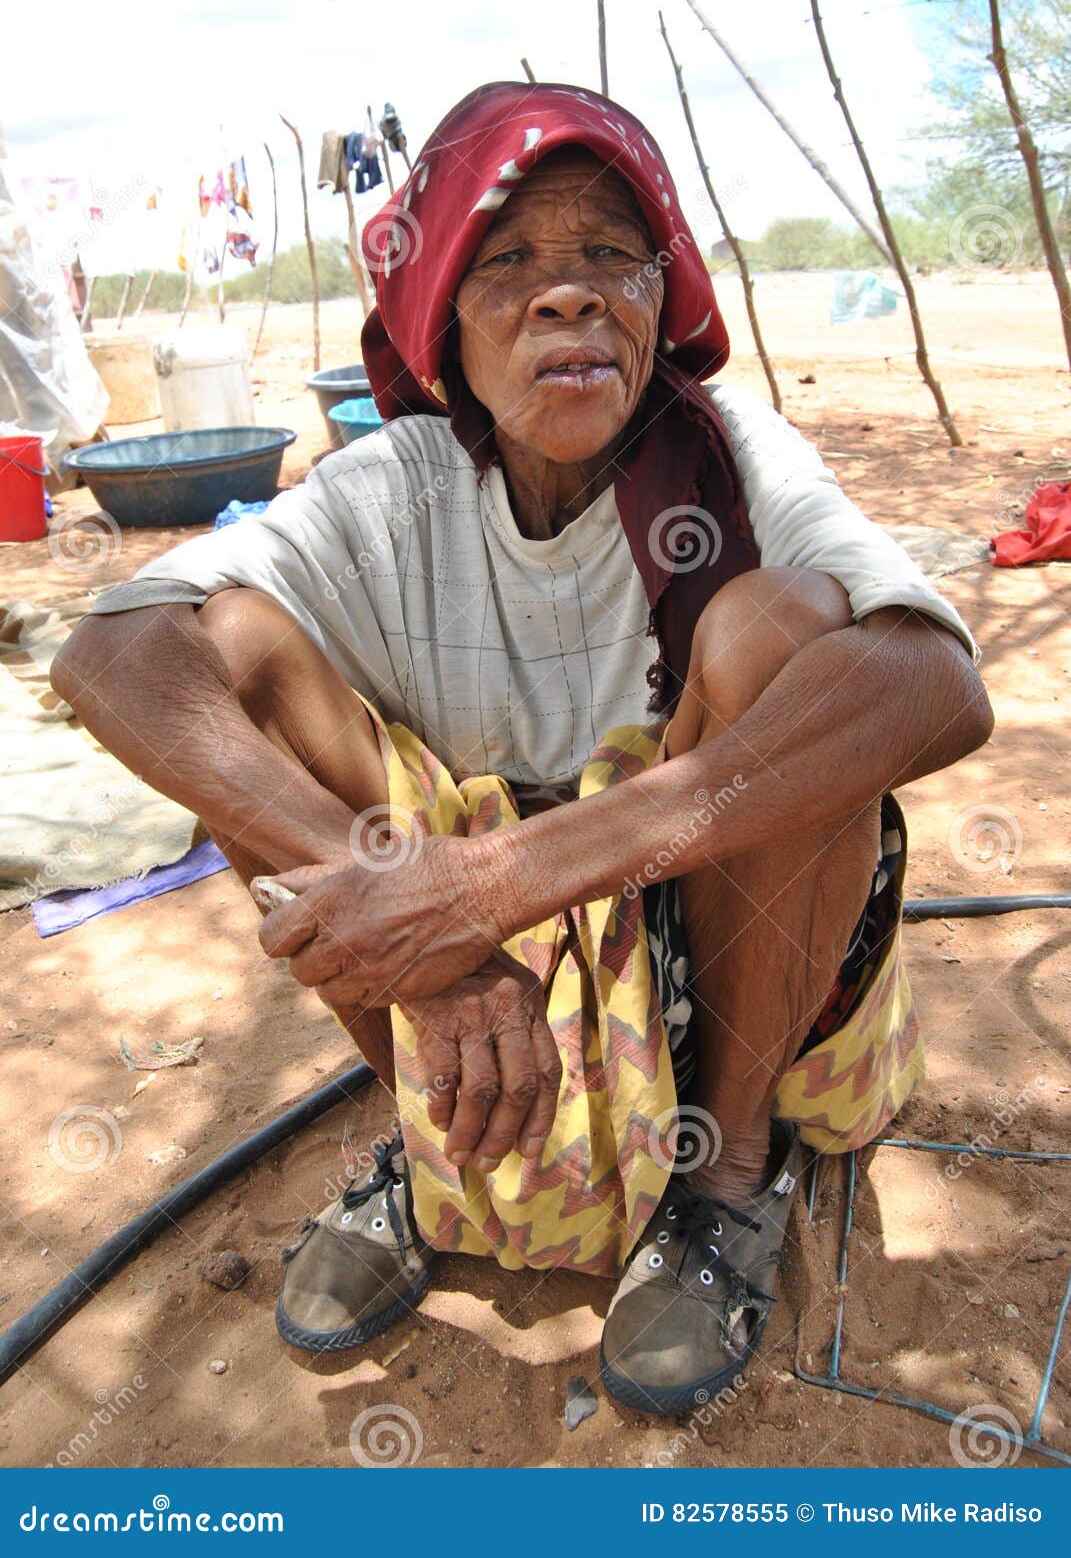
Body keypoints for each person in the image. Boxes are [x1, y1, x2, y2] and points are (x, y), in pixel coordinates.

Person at [53, 82, 992, 1416]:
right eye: (510, 263)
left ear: (662, 301)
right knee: (242, 644)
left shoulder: (732, 458)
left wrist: (493, 882)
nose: (568, 296)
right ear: (442, 314)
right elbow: (111, 653)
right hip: (467, 958)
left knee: (783, 637)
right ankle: (438, 1135)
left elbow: (935, 685)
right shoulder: (395, 485)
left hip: (704, 925)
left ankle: (725, 1172)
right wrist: (421, 932)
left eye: (611, 254)